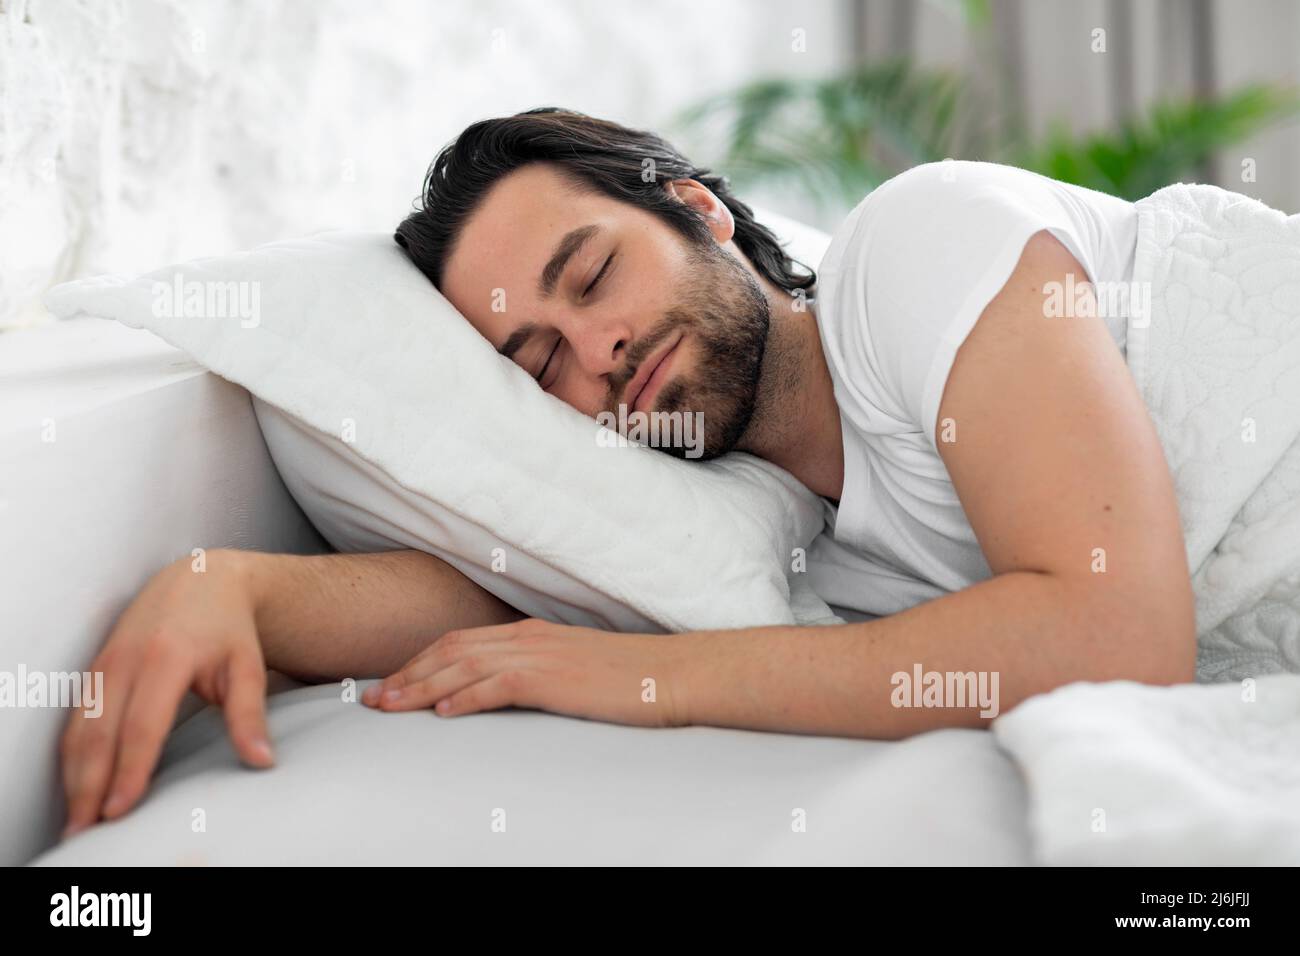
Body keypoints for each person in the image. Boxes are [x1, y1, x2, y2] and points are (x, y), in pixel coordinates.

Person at [59, 108, 1195, 836]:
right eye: (539, 360)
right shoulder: (756, 511)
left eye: (594, 274)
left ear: (696, 209)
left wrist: (651, 680)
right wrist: (235, 586)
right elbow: (506, 597)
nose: (596, 353)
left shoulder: (914, 247)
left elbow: (1119, 636)